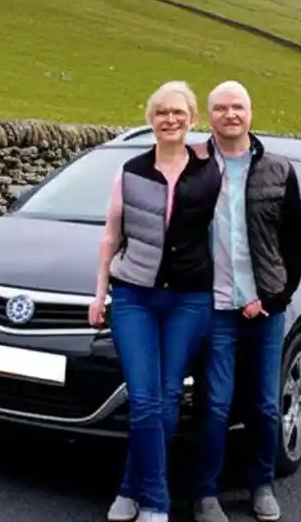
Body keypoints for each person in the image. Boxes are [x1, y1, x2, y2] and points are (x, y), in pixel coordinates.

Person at [89, 80, 222, 522]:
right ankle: (156, 503)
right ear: (151, 119)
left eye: (178, 113)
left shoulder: (209, 171)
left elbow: (228, 230)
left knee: (166, 400)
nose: (170, 120)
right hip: (134, 298)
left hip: (188, 300)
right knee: (144, 399)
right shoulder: (130, 171)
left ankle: (130, 488)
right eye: (162, 113)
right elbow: (111, 235)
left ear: (192, 119)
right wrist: (99, 293)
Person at [191, 80, 301, 522]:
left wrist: (277, 296)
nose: (230, 115)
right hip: (214, 308)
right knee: (214, 405)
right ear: (210, 115)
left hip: (264, 310)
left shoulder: (279, 169)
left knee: (263, 403)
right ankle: (205, 494)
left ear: (251, 113)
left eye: (238, 107)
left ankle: (261, 485)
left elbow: (294, 238)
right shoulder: (194, 166)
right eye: (221, 108)